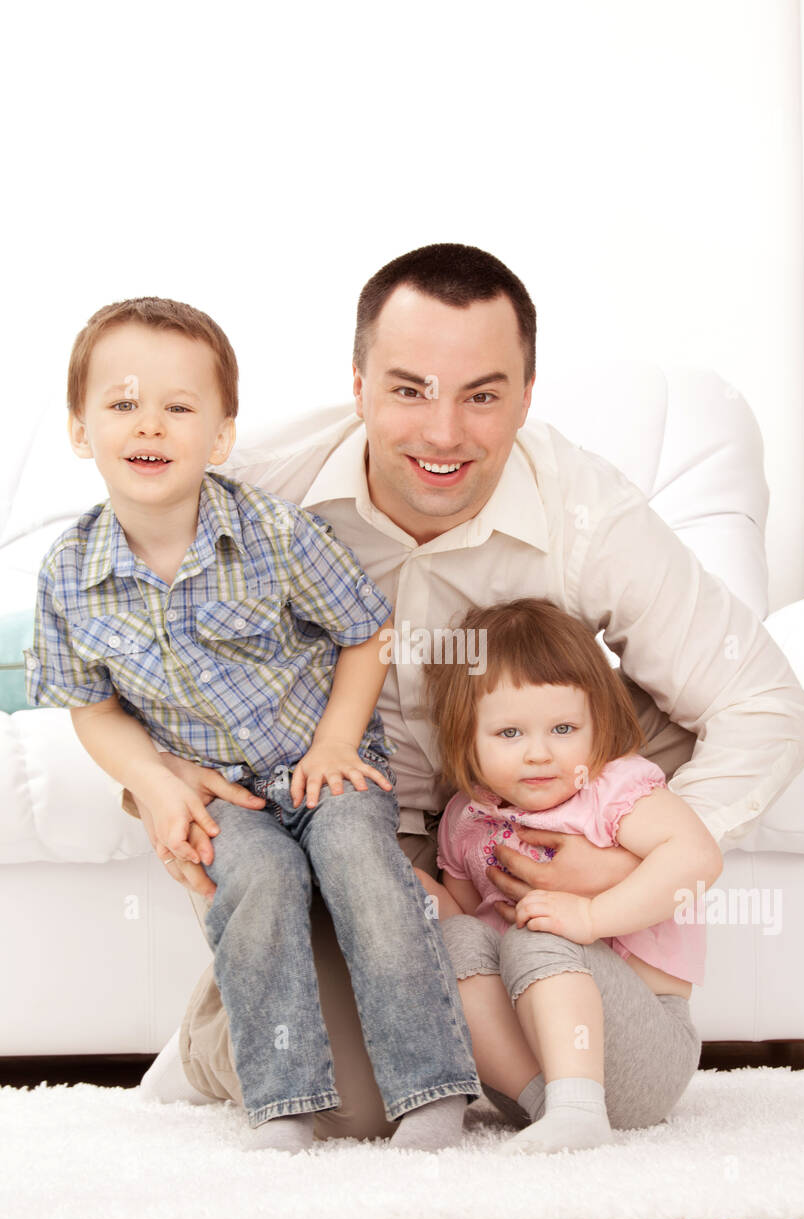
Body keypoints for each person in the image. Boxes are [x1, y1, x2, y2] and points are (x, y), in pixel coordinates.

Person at [132, 243, 804, 1142]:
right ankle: (221, 1031)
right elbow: (127, 656)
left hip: (526, 807)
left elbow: (767, 708)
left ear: (528, 396)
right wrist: (158, 777)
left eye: (482, 395)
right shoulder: (251, 492)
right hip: (344, 816)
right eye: (410, 389)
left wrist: (633, 863)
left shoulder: (586, 514)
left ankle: (499, 1014)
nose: (444, 433)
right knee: (356, 1102)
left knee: (610, 1086)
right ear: (359, 384)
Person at [23, 295, 481, 1153]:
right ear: (82, 430)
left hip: (320, 761)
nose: (149, 424)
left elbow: (366, 631)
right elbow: (92, 707)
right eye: (121, 404)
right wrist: (155, 784)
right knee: (261, 885)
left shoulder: (266, 531)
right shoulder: (69, 573)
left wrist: (338, 742)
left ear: (222, 435)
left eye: (178, 406)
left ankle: (431, 1090)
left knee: (359, 861)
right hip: (219, 793)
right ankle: (284, 1102)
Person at [417, 596, 723, 1153]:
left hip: (642, 1056)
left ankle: (580, 1108)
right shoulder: (466, 818)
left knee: (543, 930)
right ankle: (560, 1114)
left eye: (562, 728)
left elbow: (698, 860)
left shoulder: (614, 788)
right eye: (509, 734)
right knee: (453, 936)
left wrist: (591, 915)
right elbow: (468, 938)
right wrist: (411, 890)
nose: (539, 754)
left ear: (595, 724)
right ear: (467, 739)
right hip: (525, 1081)